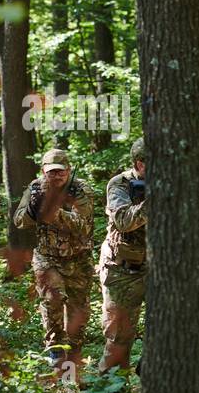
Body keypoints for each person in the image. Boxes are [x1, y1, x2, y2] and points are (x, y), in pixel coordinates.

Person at [13, 148, 95, 374]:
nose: (56, 176)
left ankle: (74, 360)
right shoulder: (35, 188)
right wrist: (32, 210)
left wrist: (52, 211)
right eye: (51, 172)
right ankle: (57, 355)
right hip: (47, 257)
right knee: (52, 301)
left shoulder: (81, 189)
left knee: (78, 312)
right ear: (43, 171)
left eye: (60, 172)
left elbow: (82, 225)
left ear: (69, 170)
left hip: (78, 259)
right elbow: (19, 221)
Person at [98, 139, 147, 373]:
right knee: (119, 335)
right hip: (122, 270)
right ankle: (112, 388)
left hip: (158, 268)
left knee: (171, 324)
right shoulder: (120, 184)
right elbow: (123, 220)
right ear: (140, 164)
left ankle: (150, 371)